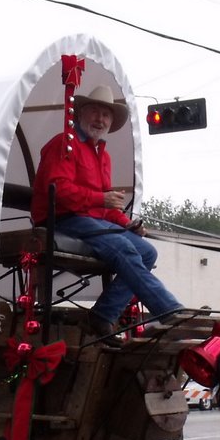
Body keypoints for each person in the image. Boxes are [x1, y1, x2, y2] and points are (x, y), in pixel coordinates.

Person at [30, 79, 188, 339]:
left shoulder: (103, 155)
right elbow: (57, 191)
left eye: (106, 115)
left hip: (90, 220)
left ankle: (103, 315)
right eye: (95, 112)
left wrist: (127, 223)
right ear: (81, 113)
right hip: (61, 218)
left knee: (147, 251)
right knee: (124, 248)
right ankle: (168, 311)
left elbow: (107, 206)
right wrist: (100, 200)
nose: (100, 120)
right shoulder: (64, 143)